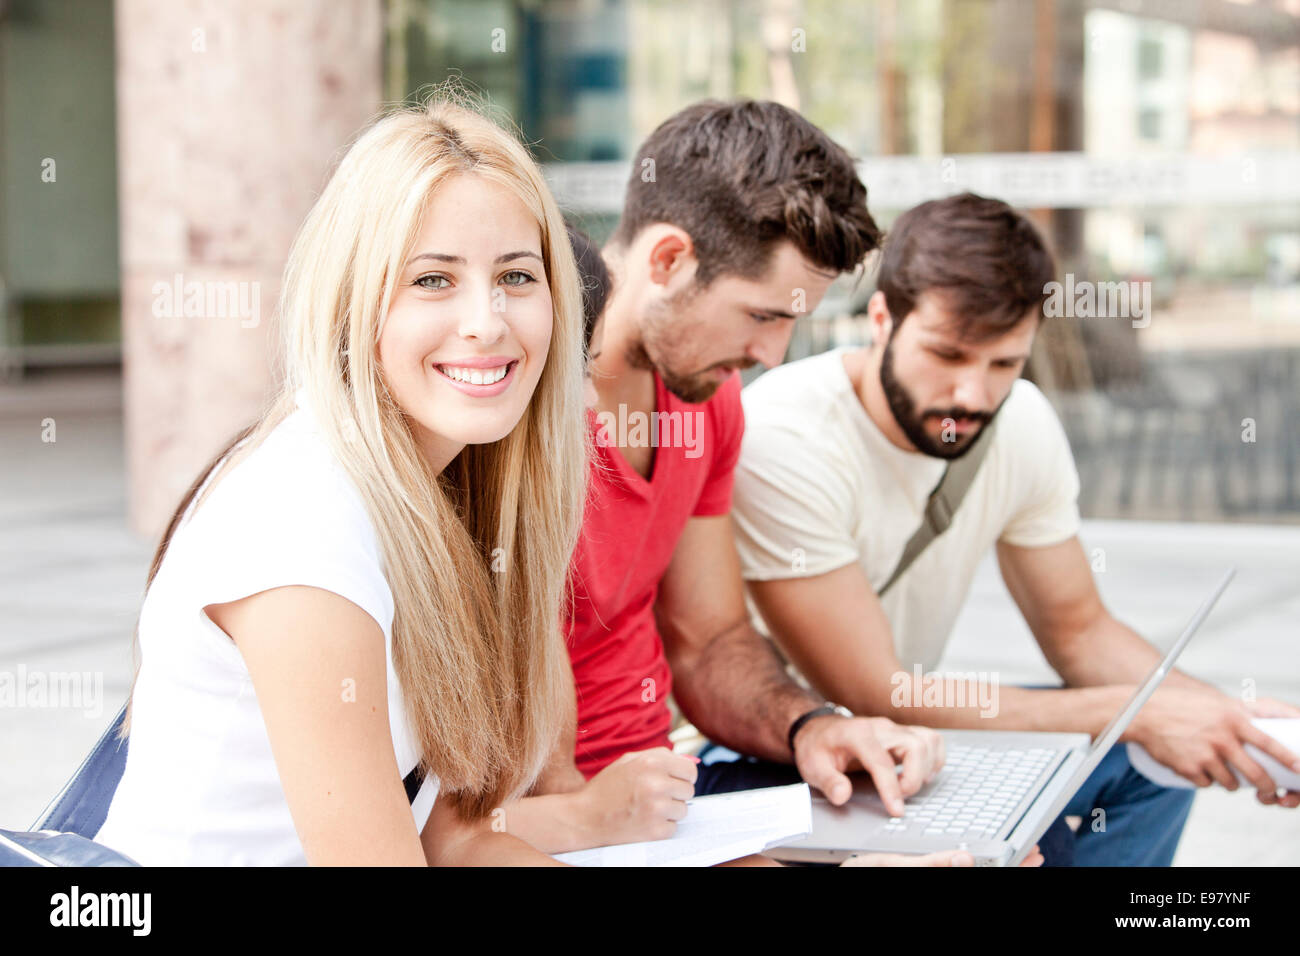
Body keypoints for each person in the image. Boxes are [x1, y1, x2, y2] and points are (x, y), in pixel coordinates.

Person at [729, 192, 1300, 866]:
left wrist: (1235, 724)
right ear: (880, 319)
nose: (973, 395)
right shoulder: (788, 433)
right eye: (947, 354)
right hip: (773, 754)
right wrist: (1143, 713)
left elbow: (1079, 632)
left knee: (1148, 757)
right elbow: (878, 692)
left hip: (916, 741)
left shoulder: (1019, 422)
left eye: (1004, 363)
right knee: (1134, 727)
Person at [95, 94, 592, 866]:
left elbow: (454, 842)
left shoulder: (446, 488)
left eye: (517, 277)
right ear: (354, 302)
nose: (487, 322)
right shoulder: (304, 521)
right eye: (433, 280)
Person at [510, 101, 957, 847]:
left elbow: (709, 639)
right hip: (563, 825)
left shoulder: (707, 398)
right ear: (667, 261)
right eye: (760, 316)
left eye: (791, 322)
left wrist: (808, 726)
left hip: (675, 804)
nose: (773, 356)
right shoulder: (518, 412)